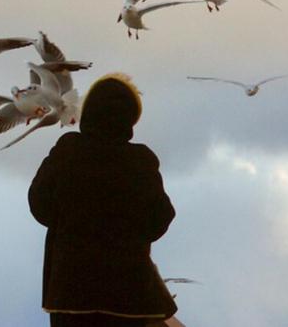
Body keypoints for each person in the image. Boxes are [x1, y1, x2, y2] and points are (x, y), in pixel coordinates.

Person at [28, 73, 177, 327]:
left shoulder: (68, 150)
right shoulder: (141, 160)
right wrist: (129, 235)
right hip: (129, 296)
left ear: (89, 112)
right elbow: (161, 217)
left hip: (70, 295)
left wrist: (68, 225)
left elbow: (39, 202)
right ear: (131, 118)